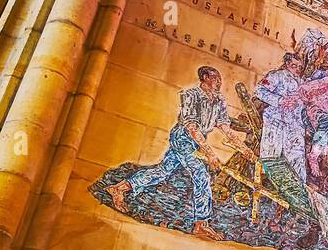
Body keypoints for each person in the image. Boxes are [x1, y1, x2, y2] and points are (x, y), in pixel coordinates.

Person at [105, 66, 248, 238]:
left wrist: (245, 149)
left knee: (163, 170)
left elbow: (226, 128)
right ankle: (201, 224)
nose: (219, 81)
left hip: (196, 140)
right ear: (204, 77)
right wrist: (210, 153)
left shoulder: (219, 101)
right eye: (215, 77)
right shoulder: (190, 95)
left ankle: (120, 188)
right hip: (183, 136)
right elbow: (192, 128)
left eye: (220, 78)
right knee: (201, 174)